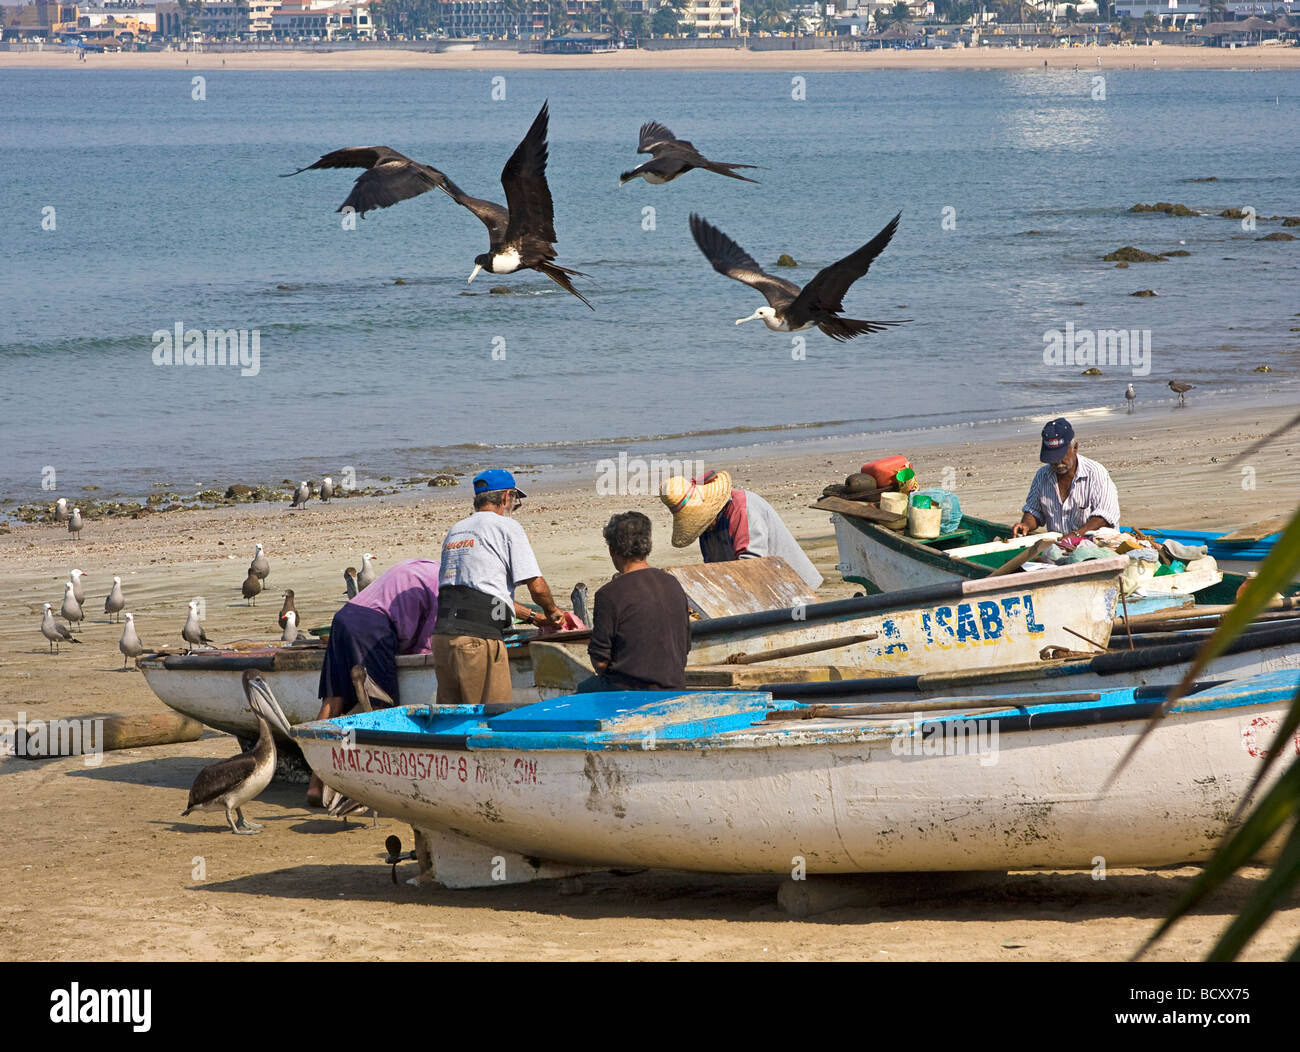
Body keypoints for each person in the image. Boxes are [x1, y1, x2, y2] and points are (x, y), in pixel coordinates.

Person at [308, 557, 441, 806]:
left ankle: (315, 784)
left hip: (346, 617)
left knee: (334, 701)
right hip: (372, 626)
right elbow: (423, 647)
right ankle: (361, 783)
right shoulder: (442, 586)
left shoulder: (424, 565)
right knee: (376, 708)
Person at [433, 468, 563, 706]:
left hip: (442, 638)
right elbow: (537, 586)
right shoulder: (507, 527)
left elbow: (482, 593)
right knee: (491, 716)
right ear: (506, 497)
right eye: (516, 501)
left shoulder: (456, 530)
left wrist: (534, 617)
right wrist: (554, 612)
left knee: (451, 718)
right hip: (478, 639)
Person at [577, 512, 691, 693]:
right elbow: (685, 647)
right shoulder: (672, 583)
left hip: (627, 693)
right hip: (675, 686)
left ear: (612, 550)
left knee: (581, 689)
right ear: (649, 545)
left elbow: (599, 660)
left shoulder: (608, 595)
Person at [658, 470, 823, 590]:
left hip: (792, 588)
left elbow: (752, 566)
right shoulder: (707, 527)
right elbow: (714, 567)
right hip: (757, 588)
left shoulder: (743, 510)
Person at [1012, 417, 1120, 541]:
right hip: (1060, 547)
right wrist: (1025, 524)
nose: (1058, 462)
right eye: (1052, 457)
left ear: (1075, 448)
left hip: (1097, 545)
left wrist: (1076, 536)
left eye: (1061, 455)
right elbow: (1034, 511)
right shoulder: (1042, 476)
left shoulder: (1095, 473)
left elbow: (1104, 517)